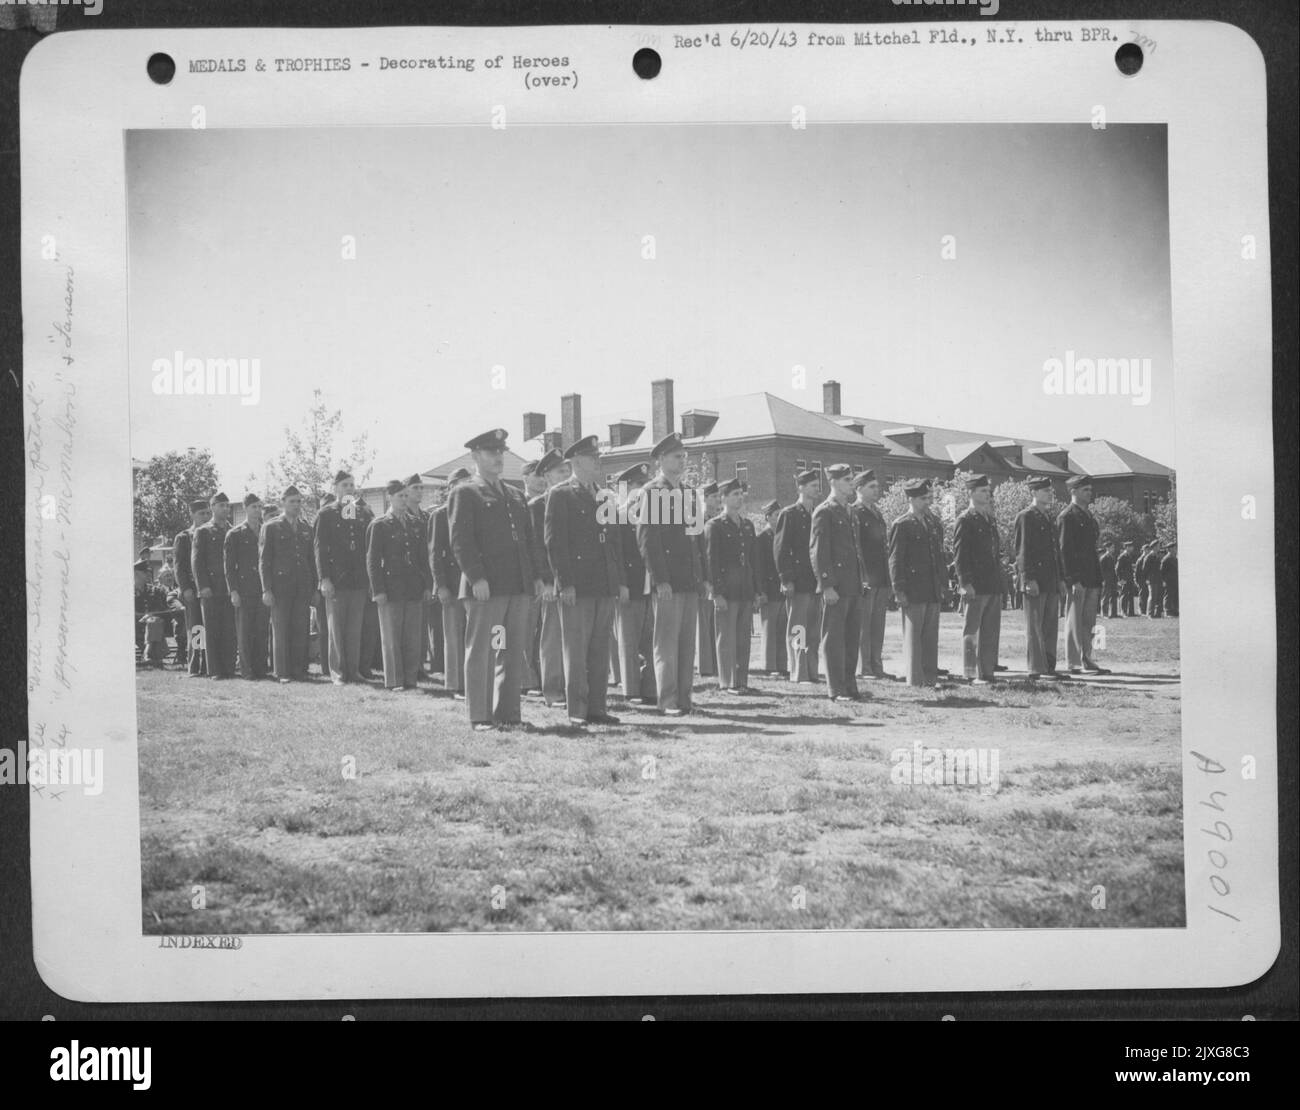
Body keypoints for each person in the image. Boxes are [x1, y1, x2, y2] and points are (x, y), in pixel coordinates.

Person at [450, 428, 542, 731]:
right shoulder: (465, 492)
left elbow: (528, 542)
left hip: (516, 586)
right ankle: (480, 714)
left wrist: (536, 577)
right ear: (475, 456)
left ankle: (507, 712)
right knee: (482, 652)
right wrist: (476, 577)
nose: (499, 457)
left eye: (501, 451)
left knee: (512, 651)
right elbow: (461, 541)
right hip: (485, 588)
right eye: (492, 452)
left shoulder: (514, 494)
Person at [545, 435, 626, 725]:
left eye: (598, 458)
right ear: (576, 462)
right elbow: (556, 543)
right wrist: (564, 583)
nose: (598, 463)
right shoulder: (561, 493)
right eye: (593, 459)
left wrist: (617, 581)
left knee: (599, 649)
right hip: (576, 586)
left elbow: (613, 541)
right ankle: (577, 710)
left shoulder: (604, 495)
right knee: (576, 651)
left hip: (603, 584)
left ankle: (597, 708)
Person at [636, 433, 703, 717]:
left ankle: (685, 698)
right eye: (677, 456)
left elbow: (696, 539)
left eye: (684, 455)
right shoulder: (652, 492)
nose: (682, 460)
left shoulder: (688, 492)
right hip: (667, 582)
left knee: (687, 644)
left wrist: (701, 576)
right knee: (666, 644)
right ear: (661, 460)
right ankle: (668, 700)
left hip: (688, 580)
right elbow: (648, 540)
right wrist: (660, 579)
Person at [367, 479, 430, 691]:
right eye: (400, 496)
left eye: (405, 495)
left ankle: (411, 679)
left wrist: (427, 585)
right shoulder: (380, 525)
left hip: (413, 587)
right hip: (390, 588)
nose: (404, 500)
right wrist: (378, 590)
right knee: (392, 637)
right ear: (389, 497)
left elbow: (423, 558)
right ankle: (394, 680)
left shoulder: (416, 523)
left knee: (412, 636)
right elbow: (373, 561)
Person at [315, 470, 374, 685]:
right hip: (336, 581)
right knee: (336, 629)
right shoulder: (326, 514)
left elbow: (368, 549)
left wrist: (369, 580)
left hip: (357, 580)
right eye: (344, 485)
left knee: (354, 629)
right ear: (335, 488)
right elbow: (320, 550)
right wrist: (324, 579)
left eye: (351, 485)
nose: (349, 489)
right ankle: (338, 672)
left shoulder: (362, 513)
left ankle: (353, 670)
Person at [812, 463, 865, 701]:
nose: (851, 484)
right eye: (846, 480)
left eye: (852, 479)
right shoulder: (825, 511)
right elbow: (818, 552)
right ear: (833, 482)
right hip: (836, 586)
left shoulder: (850, 511)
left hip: (853, 584)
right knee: (834, 639)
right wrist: (827, 585)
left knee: (852, 638)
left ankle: (850, 684)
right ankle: (836, 688)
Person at [705, 478, 763, 693]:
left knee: (743, 639)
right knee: (726, 638)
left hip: (745, 589)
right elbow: (712, 562)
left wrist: (757, 590)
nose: (739, 498)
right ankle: (728, 681)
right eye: (734, 494)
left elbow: (753, 559)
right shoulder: (715, 526)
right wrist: (717, 593)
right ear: (723, 498)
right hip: (726, 591)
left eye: (741, 494)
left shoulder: (747, 525)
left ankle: (741, 680)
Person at [888, 479, 946, 687]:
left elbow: (938, 556)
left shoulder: (932, 523)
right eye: (923, 498)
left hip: (931, 587)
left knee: (930, 637)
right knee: (913, 637)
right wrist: (899, 590)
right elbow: (896, 559)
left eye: (928, 497)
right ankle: (915, 679)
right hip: (913, 588)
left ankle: (930, 678)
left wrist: (942, 583)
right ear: (911, 499)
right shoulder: (901, 524)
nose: (927, 502)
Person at [260, 484, 319, 683]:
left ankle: (299, 670)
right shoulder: (271, 527)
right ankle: (282, 672)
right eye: (292, 501)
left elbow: (312, 561)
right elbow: (264, 561)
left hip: (301, 587)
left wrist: (314, 588)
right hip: (280, 588)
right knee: (281, 630)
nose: (296, 505)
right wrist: (266, 589)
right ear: (283, 503)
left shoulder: (305, 528)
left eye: (299, 501)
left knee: (300, 629)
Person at [614, 462, 657, 704]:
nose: (642, 489)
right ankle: (630, 689)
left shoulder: (650, 516)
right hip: (629, 585)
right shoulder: (617, 518)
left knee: (650, 640)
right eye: (637, 485)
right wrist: (621, 584)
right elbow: (616, 555)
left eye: (644, 484)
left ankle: (650, 687)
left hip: (649, 585)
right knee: (629, 640)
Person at [1014, 477, 1066, 680]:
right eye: (1045, 490)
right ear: (1034, 493)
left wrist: (1060, 578)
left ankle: (1049, 666)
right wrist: (1027, 579)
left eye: (1050, 490)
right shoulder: (1026, 517)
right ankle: (1037, 668)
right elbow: (1022, 551)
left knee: (1050, 626)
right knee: (1035, 627)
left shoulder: (1047, 517)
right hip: (1035, 580)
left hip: (1050, 580)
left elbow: (1055, 553)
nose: (1050, 493)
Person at [953, 475, 1003, 685]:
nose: (987, 494)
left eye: (988, 490)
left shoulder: (989, 518)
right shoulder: (965, 519)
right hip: (975, 584)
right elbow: (960, 554)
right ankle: (970, 672)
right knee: (972, 630)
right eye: (982, 490)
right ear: (971, 493)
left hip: (992, 582)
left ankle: (987, 671)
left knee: (991, 630)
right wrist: (965, 583)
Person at [1058, 475, 1110, 674]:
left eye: (1090, 489)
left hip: (1092, 577)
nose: (1089, 493)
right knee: (1074, 620)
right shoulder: (1067, 517)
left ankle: (1087, 657)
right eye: (1084, 490)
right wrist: (1072, 579)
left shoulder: (1089, 516)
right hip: (1078, 578)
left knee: (1089, 621)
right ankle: (1073, 662)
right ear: (1073, 492)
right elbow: (1065, 551)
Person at [773, 470, 822, 683]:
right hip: (798, 582)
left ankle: (812, 670)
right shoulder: (789, 514)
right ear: (800, 487)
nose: (816, 489)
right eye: (812, 485)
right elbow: (780, 549)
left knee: (813, 630)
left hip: (816, 582)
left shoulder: (818, 513)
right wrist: (786, 579)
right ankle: (799, 670)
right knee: (798, 628)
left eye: (817, 485)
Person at [430, 466, 472, 698]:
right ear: (450, 488)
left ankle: (478, 680)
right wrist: (441, 585)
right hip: (452, 584)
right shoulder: (440, 515)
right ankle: (456, 683)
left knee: (477, 635)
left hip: (475, 584)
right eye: (460, 483)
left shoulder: (476, 510)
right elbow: (435, 553)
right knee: (454, 636)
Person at [851, 469, 894, 681]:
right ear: (859, 489)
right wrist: (862, 577)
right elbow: (856, 548)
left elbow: (883, 548)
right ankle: (864, 667)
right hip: (865, 578)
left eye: (877, 486)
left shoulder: (876, 513)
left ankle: (876, 665)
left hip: (881, 577)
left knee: (877, 625)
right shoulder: (854, 513)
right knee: (863, 626)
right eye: (872, 487)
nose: (877, 490)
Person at [225, 493, 270, 680]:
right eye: (254, 507)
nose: (258, 511)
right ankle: (247, 670)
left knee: (261, 630)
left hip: (261, 588)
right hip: (244, 590)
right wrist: (233, 591)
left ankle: (261, 668)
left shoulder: (265, 531)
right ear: (245, 508)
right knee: (244, 632)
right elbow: (229, 567)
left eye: (260, 507)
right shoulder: (234, 534)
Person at [193, 492, 236, 679]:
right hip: (210, 588)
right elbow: (197, 561)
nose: (225, 509)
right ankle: (215, 670)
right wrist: (202, 586)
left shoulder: (233, 530)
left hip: (229, 588)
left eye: (227, 506)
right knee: (211, 631)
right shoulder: (203, 531)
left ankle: (229, 668)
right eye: (221, 505)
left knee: (229, 630)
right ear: (212, 508)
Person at [173, 499, 210, 676]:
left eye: (207, 513)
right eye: (201, 513)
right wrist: (185, 588)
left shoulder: (210, 534)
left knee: (208, 627)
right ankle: (195, 665)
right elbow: (179, 566)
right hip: (191, 590)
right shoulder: (184, 537)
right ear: (192, 514)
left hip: (208, 589)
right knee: (196, 628)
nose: (205, 516)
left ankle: (208, 665)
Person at [755, 499, 787, 676]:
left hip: (781, 591)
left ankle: (782, 665)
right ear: (768, 517)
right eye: (776, 515)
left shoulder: (782, 535)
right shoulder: (761, 538)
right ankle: (769, 666)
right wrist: (760, 592)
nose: (779, 518)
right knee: (769, 629)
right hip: (769, 590)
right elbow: (758, 567)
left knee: (781, 629)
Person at [695, 481, 721, 678]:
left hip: (716, 575)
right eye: (713, 497)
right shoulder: (699, 520)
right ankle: (705, 665)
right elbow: (699, 551)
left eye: (718, 496)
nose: (717, 500)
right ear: (704, 499)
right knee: (703, 623)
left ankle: (715, 661)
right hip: (702, 576)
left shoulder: (717, 519)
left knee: (714, 622)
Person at [1117, 540, 1138, 617]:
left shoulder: (1129, 556)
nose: (1132, 548)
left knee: (1131, 595)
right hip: (1124, 579)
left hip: (1130, 578)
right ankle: (1123, 611)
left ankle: (1131, 612)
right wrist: (1120, 579)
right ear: (1127, 547)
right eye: (1131, 546)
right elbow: (1118, 569)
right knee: (1124, 595)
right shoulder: (1122, 556)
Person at [1100, 539, 1120, 618]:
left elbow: (1113, 570)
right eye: (1112, 547)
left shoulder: (1112, 557)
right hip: (1106, 580)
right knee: (1106, 597)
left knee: (1114, 596)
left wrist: (1116, 580)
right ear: (1107, 548)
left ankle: (1114, 613)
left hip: (1112, 580)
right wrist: (1103, 580)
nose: (1113, 549)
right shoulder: (1103, 558)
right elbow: (1101, 571)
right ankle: (1104, 613)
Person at [1145, 542, 1166, 619]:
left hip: (1158, 579)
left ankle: (1157, 613)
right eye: (1157, 546)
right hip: (1152, 579)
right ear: (1154, 547)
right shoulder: (1149, 557)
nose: (1159, 547)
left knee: (1158, 596)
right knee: (1152, 596)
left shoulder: (1156, 556)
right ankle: (1150, 614)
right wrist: (1147, 578)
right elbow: (1145, 569)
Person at [1160, 544, 1179, 616]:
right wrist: (1164, 580)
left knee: (1175, 596)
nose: (1176, 549)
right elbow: (1162, 571)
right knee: (1168, 596)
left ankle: (1174, 610)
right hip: (1169, 581)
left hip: (1175, 580)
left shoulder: (1175, 558)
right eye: (1174, 548)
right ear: (1170, 549)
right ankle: (1167, 611)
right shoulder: (1166, 559)